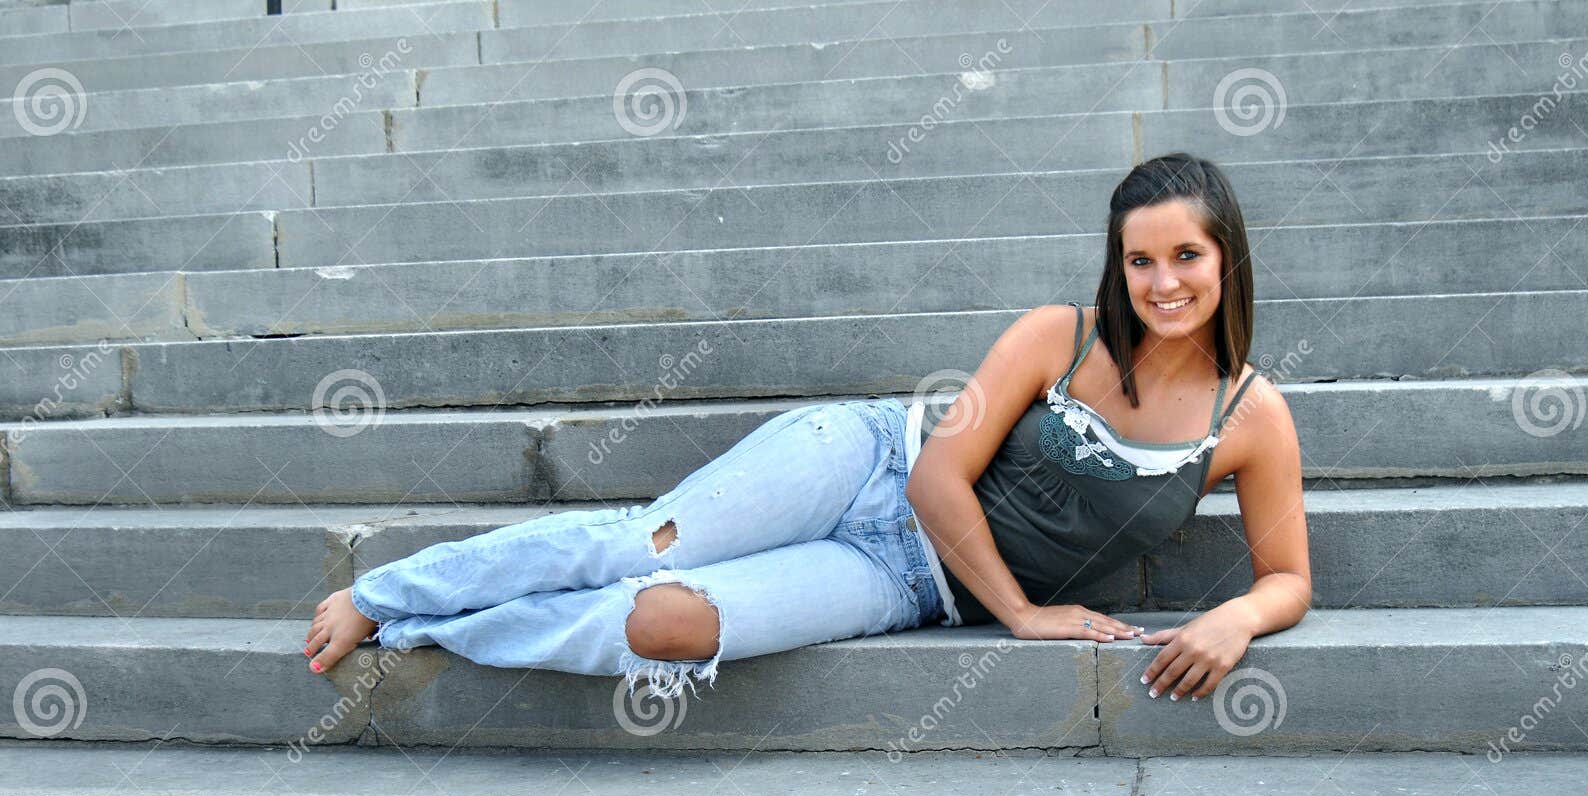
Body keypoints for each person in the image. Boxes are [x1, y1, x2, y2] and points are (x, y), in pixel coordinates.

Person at [303, 152, 1311, 704]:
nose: (1163, 282)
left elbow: (1288, 578)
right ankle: (386, 592)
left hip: (908, 586)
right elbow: (937, 477)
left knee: (664, 623)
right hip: (869, 464)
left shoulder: (1252, 416)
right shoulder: (1060, 335)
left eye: (1185, 255)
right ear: (1116, 266)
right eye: (1140, 261)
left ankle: (432, 626)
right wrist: (1024, 613)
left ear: (1226, 258)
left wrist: (1234, 618)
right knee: (632, 544)